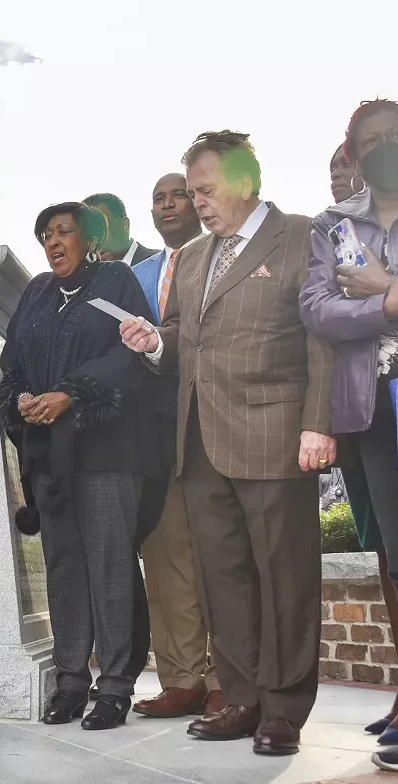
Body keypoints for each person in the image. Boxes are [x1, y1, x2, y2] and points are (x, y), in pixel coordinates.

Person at [120, 131, 334, 757]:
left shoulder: (299, 234)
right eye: (192, 192)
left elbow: (322, 336)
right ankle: (240, 699)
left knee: (284, 578)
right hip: (201, 442)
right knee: (224, 581)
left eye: (206, 190)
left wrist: (318, 423)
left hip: (276, 436)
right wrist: (155, 343)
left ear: (243, 181)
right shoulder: (191, 257)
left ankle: (284, 709)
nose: (198, 203)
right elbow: (184, 335)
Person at [298, 100, 398, 772]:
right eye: (371, 140)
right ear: (353, 154)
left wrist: (392, 288)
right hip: (383, 417)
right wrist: (387, 306)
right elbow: (318, 309)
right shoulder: (333, 226)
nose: (385, 147)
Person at [0, 203, 161, 731]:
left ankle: (114, 685)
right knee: (63, 565)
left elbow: (129, 356)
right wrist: (23, 399)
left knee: (111, 564)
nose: (52, 242)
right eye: (45, 234)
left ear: (88, 238)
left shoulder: (115, 281)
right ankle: (71, 680)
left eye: (63, 231)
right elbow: (13, 364)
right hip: (50, 455)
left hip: (106, 449)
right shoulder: (38, 293)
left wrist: (70, 393)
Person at [323, 140, 398, 744]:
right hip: (359, 416)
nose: (341, 176)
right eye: (333, 168)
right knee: (386, 555)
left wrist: (383, 292)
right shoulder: (328, 240)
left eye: (350, 165)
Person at [126, 174, 221, 719]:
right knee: (164, 561)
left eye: (177, 194)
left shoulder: (221, 258)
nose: (166, 205)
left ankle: (224, 678)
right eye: (158, 197)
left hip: (212, 429)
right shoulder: (135, 276)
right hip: (154, 439)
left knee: (220, 558)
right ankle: (181, 678)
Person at [85, 193, 160, 266]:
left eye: (100, 227)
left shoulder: (162, 263)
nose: (94, 240)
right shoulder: (85, 273)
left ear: (125, 225)